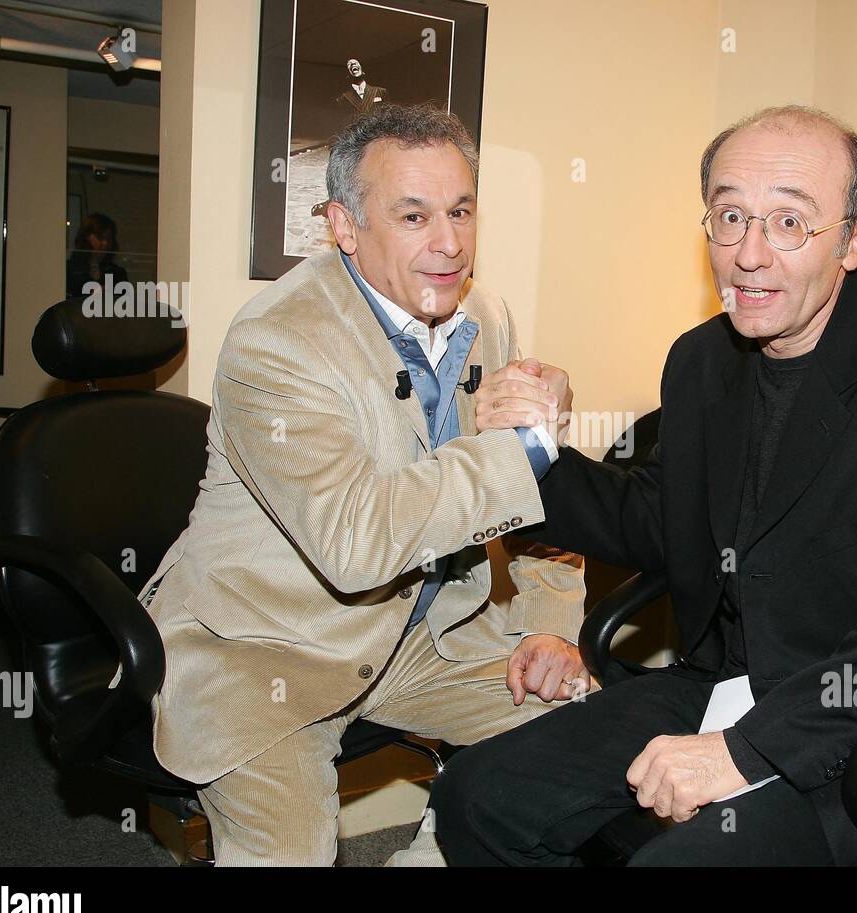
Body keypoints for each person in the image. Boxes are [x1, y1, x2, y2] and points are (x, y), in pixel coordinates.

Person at [429, 105, 857, 866]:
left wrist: (747, 751)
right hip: (723, 684)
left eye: (789, 222)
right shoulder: (701, 362)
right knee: (475, 797)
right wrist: (534, 451)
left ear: (855, 238)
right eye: (729, 216)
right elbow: (659, 520)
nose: (748, 255)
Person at [135, 103, 587, 865]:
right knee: (291, 853)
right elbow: (356, 543)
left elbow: (533, 498)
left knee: (589, 743)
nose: (448, 244)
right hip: (266, 647)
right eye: (413, 216)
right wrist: (526, 448)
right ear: (345, 227)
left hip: (423, 637)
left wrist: (547, 619)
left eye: (461, 211)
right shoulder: (275, 344)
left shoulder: (486, 315)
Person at [65, 213, 126, 299]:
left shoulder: (118, 273)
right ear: (87, 237)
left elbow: (126, 305)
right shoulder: (69, 270)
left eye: (109, 238)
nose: (105, 243)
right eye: (100, 238)